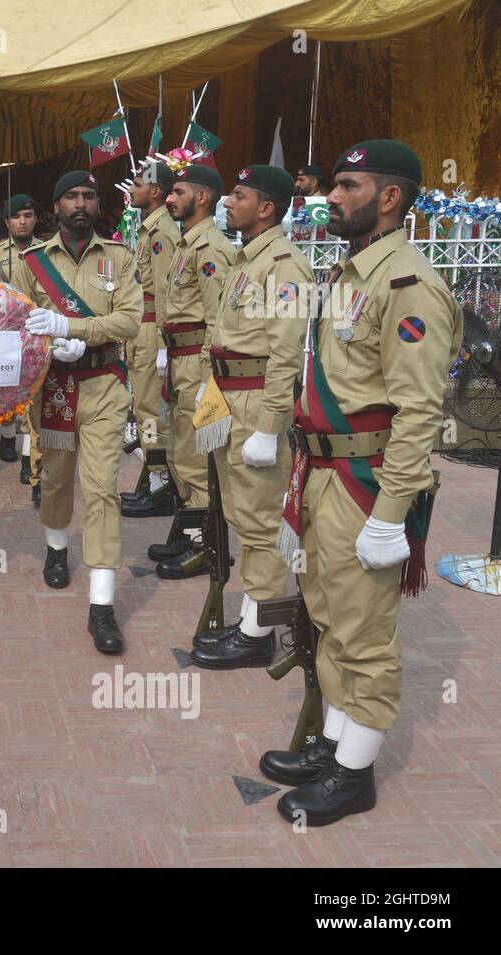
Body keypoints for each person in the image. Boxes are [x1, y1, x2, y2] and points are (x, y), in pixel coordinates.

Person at [262, 141, 461, 826]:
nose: (331, 197)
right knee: (329, 616)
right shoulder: (351, 273)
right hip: (322, 472)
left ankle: (355, 774)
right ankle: (335, 744)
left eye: (347, 186)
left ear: (390, 197)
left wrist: (390, 513)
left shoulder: (408, 285)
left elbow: (418, 413)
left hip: (365, 481)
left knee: (365, 632)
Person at [8, 170, 142, 653]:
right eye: (71, 196)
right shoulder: (32, 261)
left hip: (104, 382)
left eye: (89, 195)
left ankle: (102, 605)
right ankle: (58, 548)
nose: (81, 203)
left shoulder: (120, 258)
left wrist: (72, 326)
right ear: (57, 205)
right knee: (57, 479)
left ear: (97, 203)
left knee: (104, 488)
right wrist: (46, 344)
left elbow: (129, 320)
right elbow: (17, 323)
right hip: (55, 388)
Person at [188, 165, 310, 670]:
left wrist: (270, 425)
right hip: (226, 398)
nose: (227, 203)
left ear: (266, 208)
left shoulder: (284, 265)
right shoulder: (246, 258)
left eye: (237, 196)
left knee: (259, 523)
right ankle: (251, 615)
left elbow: (285, 354)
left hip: (256, 404)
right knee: (239, 515)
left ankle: (260, 630)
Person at [149, 164, 234, 579]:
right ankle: (189, 530)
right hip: (178, 359)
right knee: (180, 452)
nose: (169, 198)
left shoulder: (210, 248)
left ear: (202, 197)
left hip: (196, 364)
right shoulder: (187, 244)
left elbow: (218, 318)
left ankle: (205, 546)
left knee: (197, 457)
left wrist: (207, 378)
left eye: (178, 191)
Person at [120, 163, 181, 518]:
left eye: (139, 183)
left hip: (150, 328)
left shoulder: (161, 234)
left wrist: (160, 345)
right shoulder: (149, 230)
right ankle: (154, 480)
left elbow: (162, 293)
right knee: (143, 407)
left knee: (149, 410)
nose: (133, 188)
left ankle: (159, 486)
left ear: (156, 191)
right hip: (139, 327)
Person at [0, 193, 43, 479]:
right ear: (6, 221)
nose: (22, 221)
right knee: (4, 393)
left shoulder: (48, 252)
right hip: (4, 335)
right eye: (17, 217)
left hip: (38, 334)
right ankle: (7, 437)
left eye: (28, 216)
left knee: (35, 396)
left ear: (35, 219)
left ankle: (30, 456)